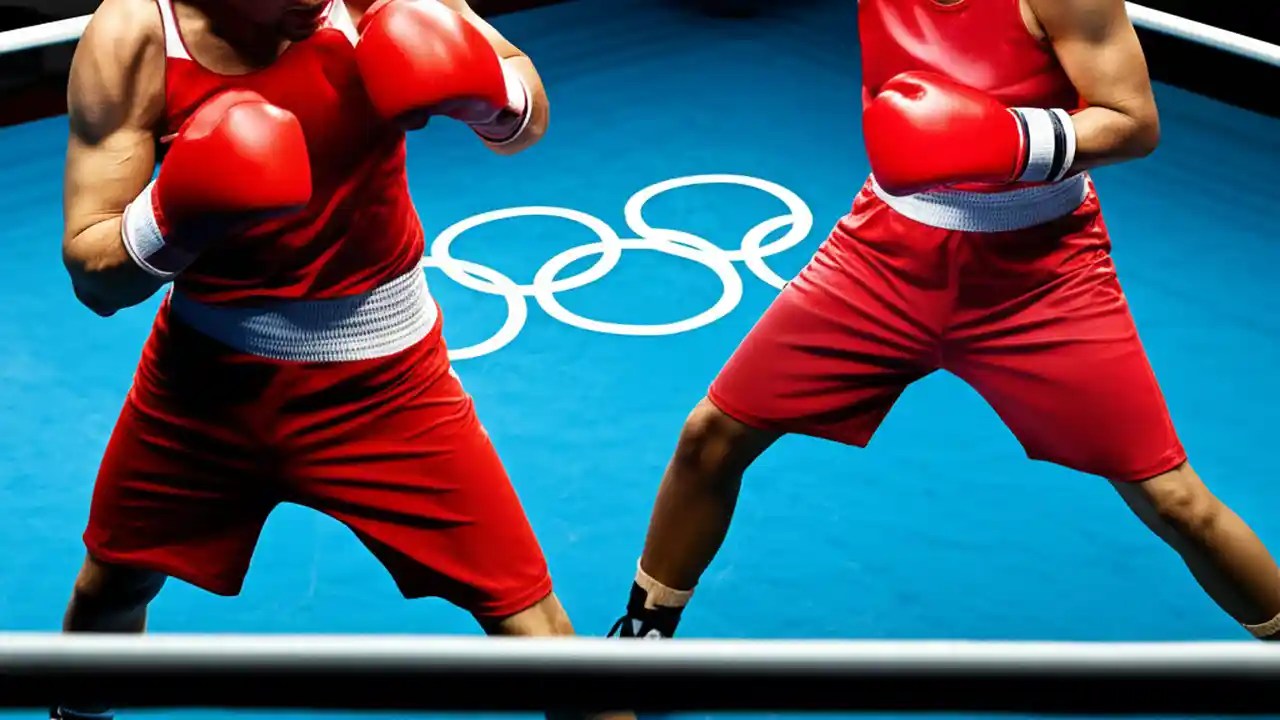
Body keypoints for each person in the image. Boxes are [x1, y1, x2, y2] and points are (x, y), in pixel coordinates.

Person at [610, 0, 1280, 641]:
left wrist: (1007, 139)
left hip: (1040, 278)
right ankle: (642, 633)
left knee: (1175, 502)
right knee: (709, 437)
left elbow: (1134, 121)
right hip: (883, 256)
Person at [59, 0, 615, 718]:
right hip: (204, 387)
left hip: (389, 386)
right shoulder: (135, 33)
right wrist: (172, 212)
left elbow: (526, 115)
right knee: (109, 588)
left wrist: (490, 92)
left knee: (533, 624)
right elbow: (94, 278)